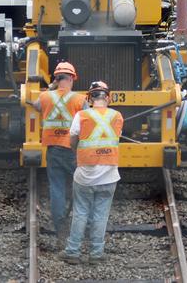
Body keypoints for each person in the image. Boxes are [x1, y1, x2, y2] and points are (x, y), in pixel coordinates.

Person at [61, 80, 123, 264]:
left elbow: (73, 139)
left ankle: (73, 252)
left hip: (85, 175)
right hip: (109, 175)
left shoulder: (81, 115)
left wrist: (78, 151)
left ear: (89, 98)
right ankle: (96, 254)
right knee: (101, 215)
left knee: (80, 212)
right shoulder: (117, 116)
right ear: (109, 98)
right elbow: (115, 138)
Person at [24, 61, 86, 237]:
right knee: (82, 186)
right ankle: (79, 223)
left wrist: (51, 87)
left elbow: (36, 106)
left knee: (57, 187)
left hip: (53, 150)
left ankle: (60, 226)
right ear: (73, 78)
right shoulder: (80, 99)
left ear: (56, 79)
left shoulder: (45, 97)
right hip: (73, 151)